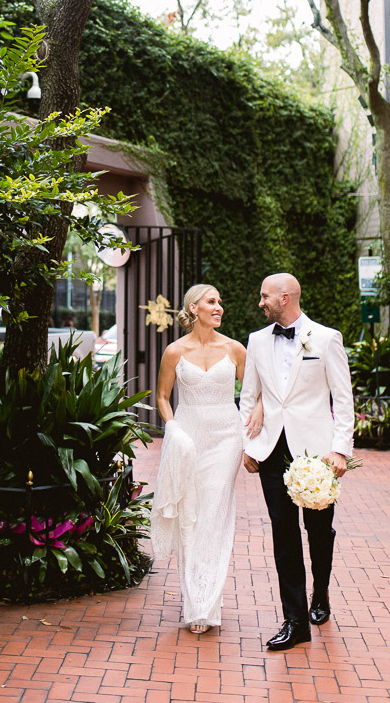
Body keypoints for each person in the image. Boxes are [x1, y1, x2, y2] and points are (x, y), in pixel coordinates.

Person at [239, 272, 354, 651]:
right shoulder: (256, 341)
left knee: (319, 532)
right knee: (283, 535)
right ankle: (295, 620)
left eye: (265, 297)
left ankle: (320, 593)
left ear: (285, 297)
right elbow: (248, 397)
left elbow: (343, 398)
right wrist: (248, 446)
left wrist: (340, 450)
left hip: (319, 455)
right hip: (272, 452)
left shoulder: (326, 338)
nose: (261, 303)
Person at [150, 283, 263, 634]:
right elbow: (163, 397)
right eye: (212, 302)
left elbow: (257, 392)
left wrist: (255, 423)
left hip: (226, 438)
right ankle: (193, 597)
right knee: (191, 516)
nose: (219, 307)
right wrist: (173, 430)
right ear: (194, 307)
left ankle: (205, 604)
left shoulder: (235, 349)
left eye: (220, 302)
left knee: (214, 514)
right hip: (188, 437)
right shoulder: (174, 351)